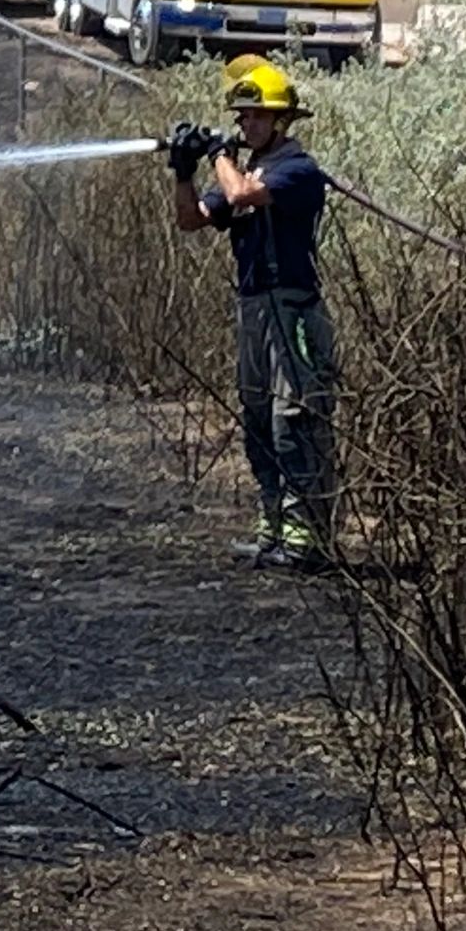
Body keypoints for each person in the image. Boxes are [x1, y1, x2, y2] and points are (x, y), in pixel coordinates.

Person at [168, 57, 338, 573]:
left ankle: (307, 539)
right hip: (253, 311)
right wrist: (183, 171)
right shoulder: (249, 169)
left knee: (295, 422)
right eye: (242, 118)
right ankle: (274, 532)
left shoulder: (297, 171)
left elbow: (242, 194)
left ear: (282, 121)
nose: (246, 125)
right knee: (260, 422)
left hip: (292, 313)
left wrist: (220, 154)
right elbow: (191, 221)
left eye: (256, 117)